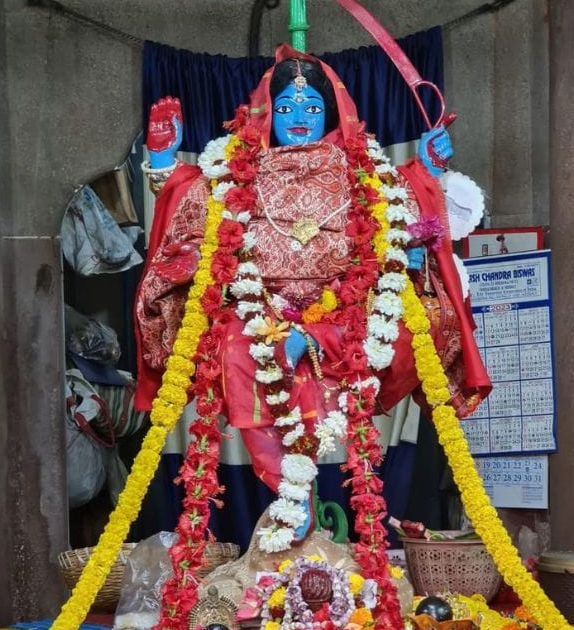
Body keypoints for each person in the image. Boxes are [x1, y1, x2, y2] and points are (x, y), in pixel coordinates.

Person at [135, 46, 491, 552]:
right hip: (258, 317)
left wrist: (428, 167)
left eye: (310, 109)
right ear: (265, 115)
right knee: (234, 351)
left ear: (330, 115)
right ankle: (291, 494)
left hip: (345, 315)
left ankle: (318, 502)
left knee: (405, 329)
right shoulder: (236, 172)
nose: (298, 118)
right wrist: (163, 160)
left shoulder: (363, 172)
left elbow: (405, 206)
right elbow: (187, 210)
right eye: (284, 109)